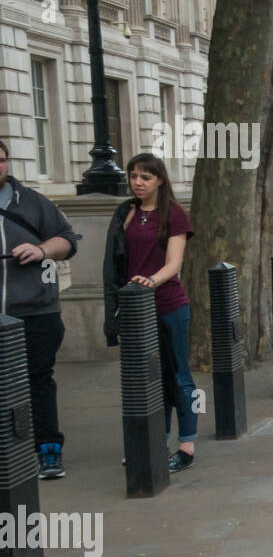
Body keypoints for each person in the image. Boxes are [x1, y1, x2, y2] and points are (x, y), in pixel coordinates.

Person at [103, 153, 197, 473]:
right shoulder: (125, 213)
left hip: (169, 305)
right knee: (145, 378)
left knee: (177, 375)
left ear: (159, 180)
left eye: (145, 177)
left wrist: (148, 282)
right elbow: (114, 261)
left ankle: (186, 445)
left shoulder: (174, 215)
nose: (138, 183)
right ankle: (154, 441)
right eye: (133, 177)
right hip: (134, 309)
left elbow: (173, 265)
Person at [0, 140, 78, 479]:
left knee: (37, 379)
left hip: (35, 312)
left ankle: (48, 451)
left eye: (0, 160)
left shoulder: (32, 201)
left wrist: (41, 249)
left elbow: (67, 240)